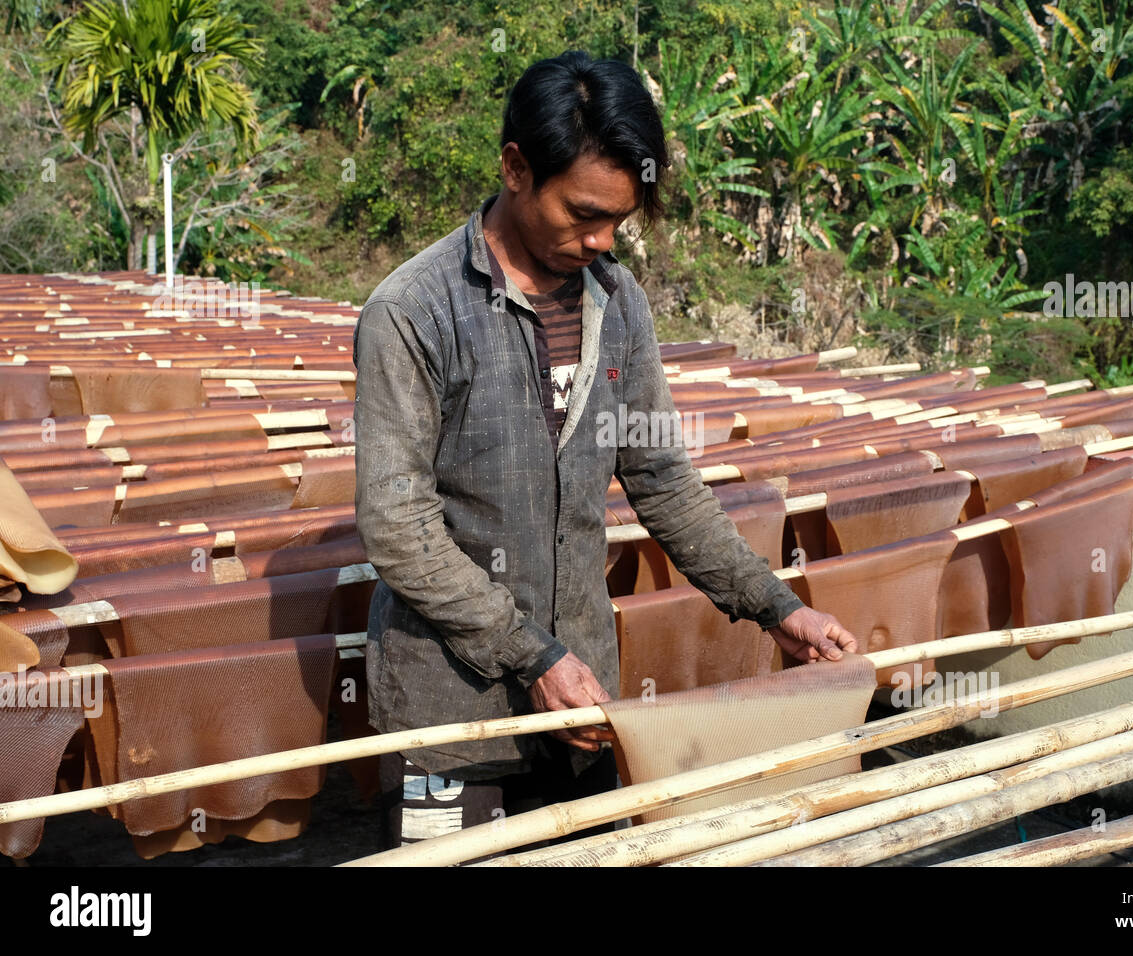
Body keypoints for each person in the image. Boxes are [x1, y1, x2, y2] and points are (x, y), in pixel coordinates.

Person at [352, 49, 859, 850]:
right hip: (449, 708)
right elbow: (397, 527)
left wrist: (777, 609)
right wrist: (531, 655)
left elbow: (664, 480)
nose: (600, 239)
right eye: (582, 213)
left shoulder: (617, 304)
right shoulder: (414, 313)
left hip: (580, 705)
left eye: (618, 221)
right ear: (516, 168)